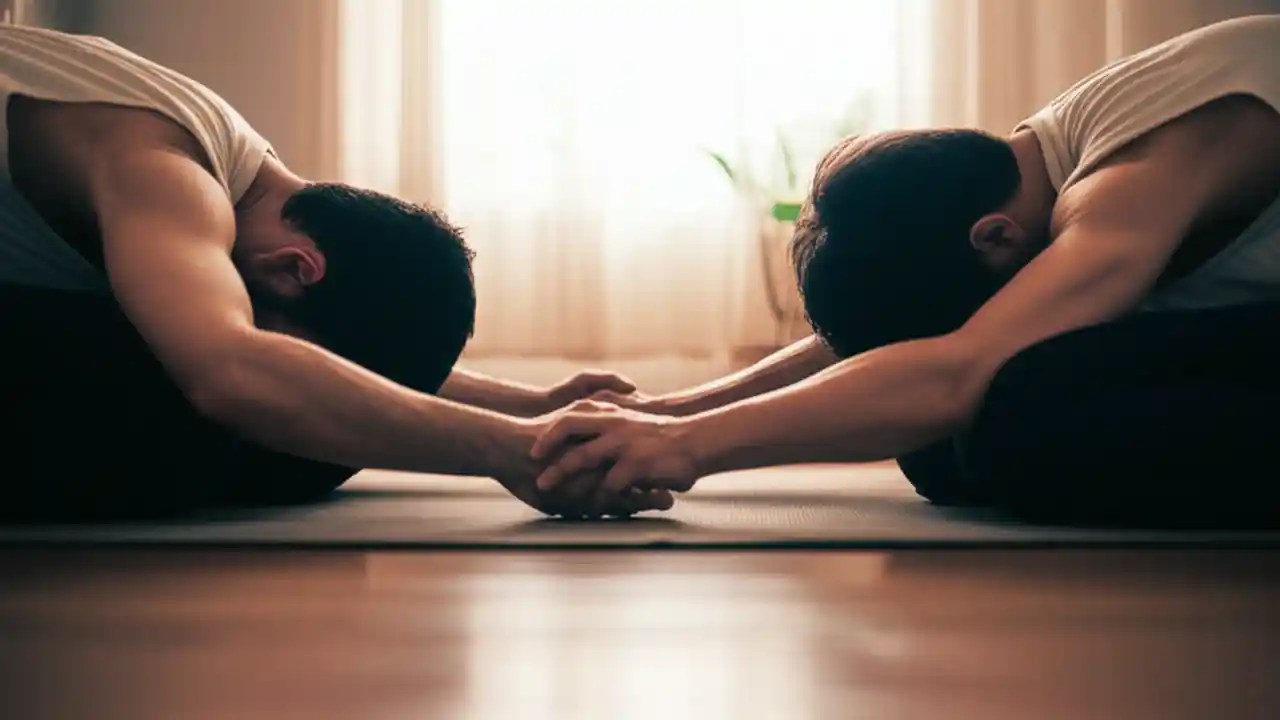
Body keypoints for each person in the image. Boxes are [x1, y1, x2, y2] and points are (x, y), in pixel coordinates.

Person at [533, 15, 1280, 526]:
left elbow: (958, 363)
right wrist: (671, 414)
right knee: (938, 437)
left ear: (993, 239)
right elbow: (901, 340)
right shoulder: (1038, 164)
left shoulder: (1125, 189)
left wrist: (688, 451)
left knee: (1018, 409)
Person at [0, 24, 671, 520]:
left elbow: (338, 364)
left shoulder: (238, 170)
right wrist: (516, 450)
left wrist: (533, 406)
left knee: (321, 424)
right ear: (297, 268)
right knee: (255, 426)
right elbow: (233, 366)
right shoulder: (169, 180)